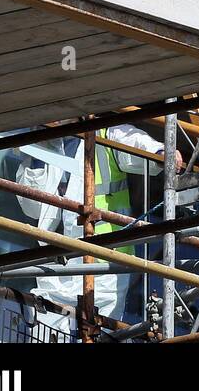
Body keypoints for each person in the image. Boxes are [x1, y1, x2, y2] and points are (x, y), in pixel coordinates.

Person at [15, 125, 182, 334]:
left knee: (98, 333)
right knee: (45, 332)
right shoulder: (45, 145)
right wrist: (37, 157)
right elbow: (31, 207)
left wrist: (159, 153)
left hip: (104, 266)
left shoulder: (104, 133)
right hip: (56, 265)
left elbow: (134, 144)